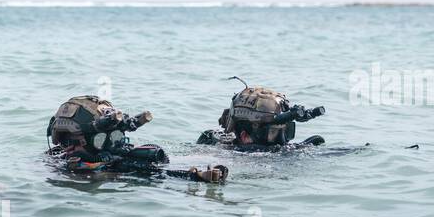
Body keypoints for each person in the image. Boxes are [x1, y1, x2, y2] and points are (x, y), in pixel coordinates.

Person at [47, 96, 227, 182]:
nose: (113, 144)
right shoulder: (60, 162)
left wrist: (197, 176)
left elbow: (161, 173)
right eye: (102, 140)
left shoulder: (119, 162)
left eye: (116, 136)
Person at [197, 78, 326, 150]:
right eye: (272, 133)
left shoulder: (280, 151)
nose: (281, 142)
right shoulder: (224, 154)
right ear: (244, 136)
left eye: (286, 132)